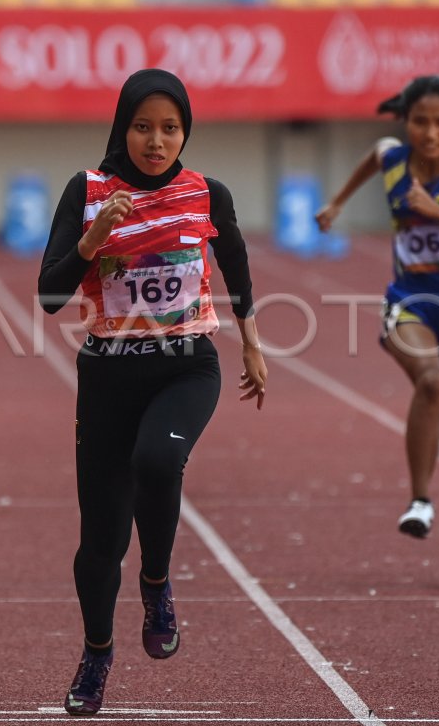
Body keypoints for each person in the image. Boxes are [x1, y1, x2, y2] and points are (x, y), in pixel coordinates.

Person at [38, 68, 267, 716]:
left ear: (185, 132)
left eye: (170, 128)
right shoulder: (88, 189)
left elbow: (239, 266)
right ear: (123, 128)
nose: (156, 140)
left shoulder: (206, 194)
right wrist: (93, 238)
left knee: (159, 461)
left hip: (185, 364)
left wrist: (250, 342)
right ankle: (98, 652)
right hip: (109, 373)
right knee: (99, 544)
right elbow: (51, 295)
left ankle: (158, 583)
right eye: (143, 127)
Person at [315, 74, 439, 540]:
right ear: (407, 123)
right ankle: (420, 501)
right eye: (420, 121)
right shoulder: (393, 159)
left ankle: (435, 441)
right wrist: (337, 203)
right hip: (410, 301)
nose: (430, 132)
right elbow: (373, 158)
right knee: (430, 382)